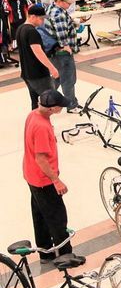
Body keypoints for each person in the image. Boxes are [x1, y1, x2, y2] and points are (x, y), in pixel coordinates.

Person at [24, 90, 74, 260]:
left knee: (39, 215)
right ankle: (66, 256)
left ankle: (45, 252)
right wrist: (56, 180)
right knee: (58, 218)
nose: (62, 108)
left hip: (31, 176)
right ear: (52, 108)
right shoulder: (42, 126)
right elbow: (41, 159)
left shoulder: (33, 115)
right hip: (44, 181)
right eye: (60, 106)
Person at [16, 4, 58, 109]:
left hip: (27, 73)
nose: (42, 22)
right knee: (48, 102)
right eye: (41, 19)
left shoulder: (20, 29)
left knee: (35, 102)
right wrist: (52, 68)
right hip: (38, 74)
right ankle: (43, 124)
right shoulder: (32, 31)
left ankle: (35, 123)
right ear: (33, 16)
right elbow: (38, 52)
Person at [44, 0, 80, 110]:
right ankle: (71, 105)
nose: (69, 5)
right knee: (68, 79)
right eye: (67, 3)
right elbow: (61, 33)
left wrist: (72, 24)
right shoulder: (58, 14)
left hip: (53, 51)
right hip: (62, 53)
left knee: (57, 77)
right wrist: (66, 46)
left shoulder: (51, 8)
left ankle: (46, 99)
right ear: (60, 1)